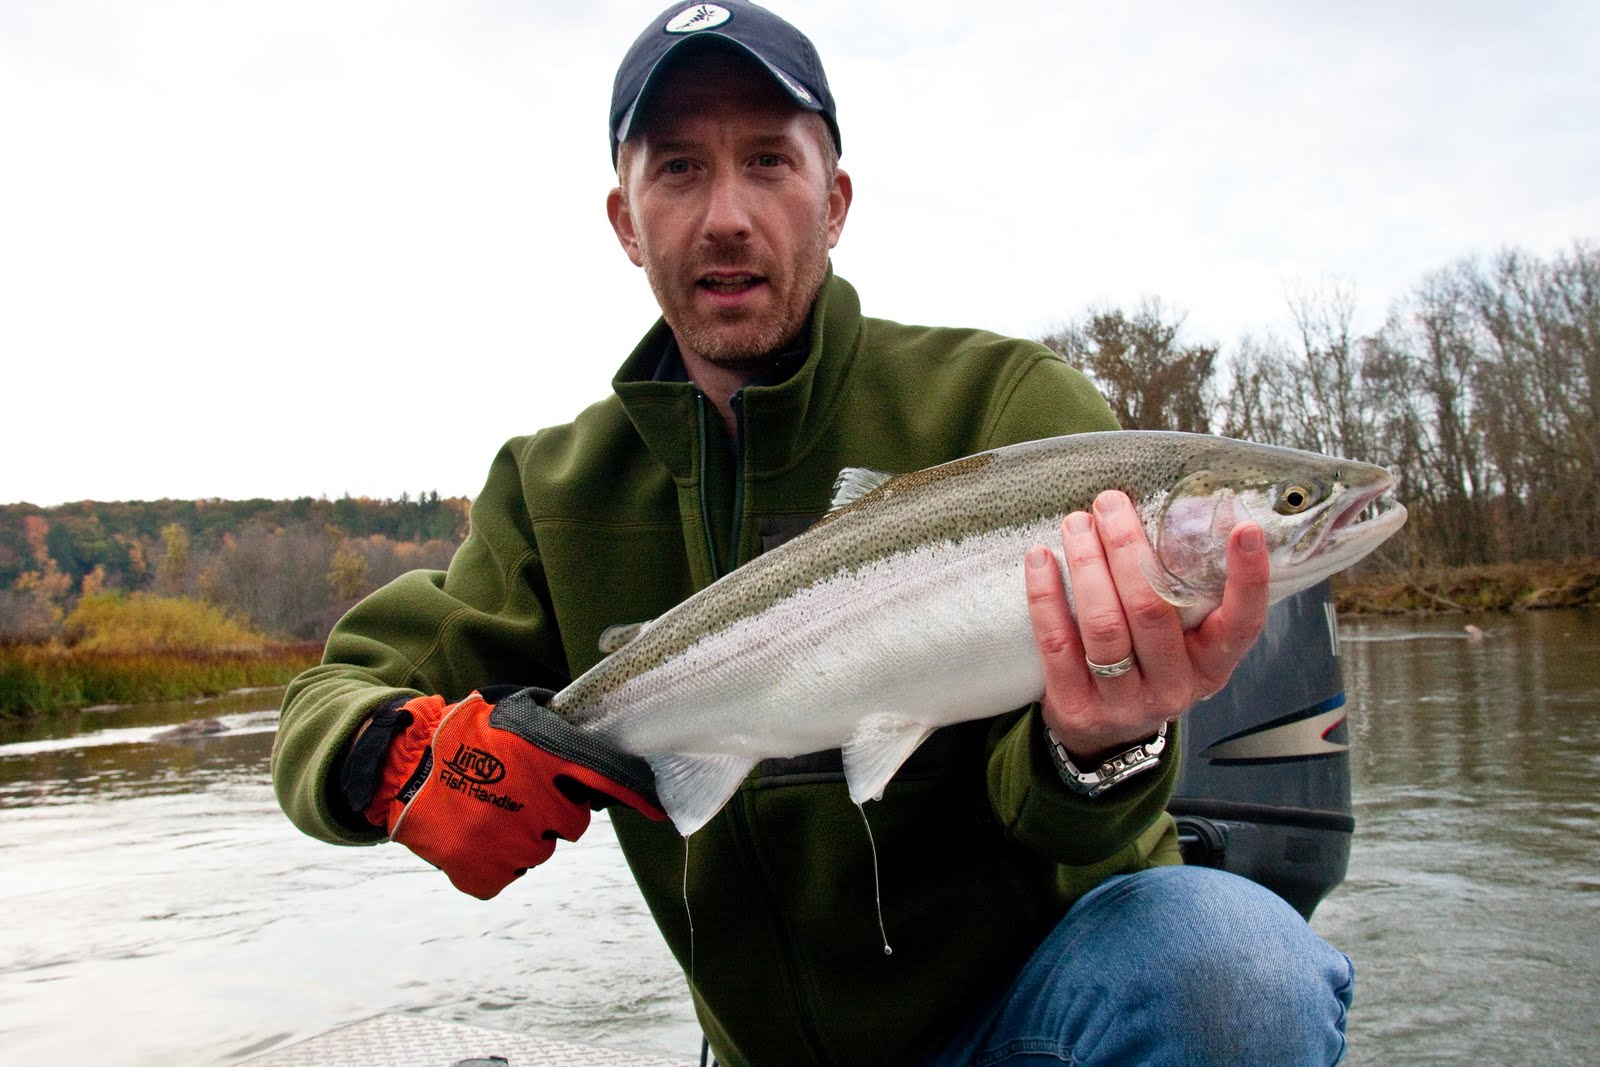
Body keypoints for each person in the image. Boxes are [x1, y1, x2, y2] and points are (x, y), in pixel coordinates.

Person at [272, 3, 1353, 1064]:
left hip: (1030, 1027)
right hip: (759, 1051)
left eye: (768, 163)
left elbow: (1085, 840)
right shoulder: (554, 491)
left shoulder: (1008, 406)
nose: (727, 214)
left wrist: (1101, 746)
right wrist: (392, 758)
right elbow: (325, 702)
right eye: (679, 168)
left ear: (833, 202)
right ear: (623, 219)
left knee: (1239, 968)